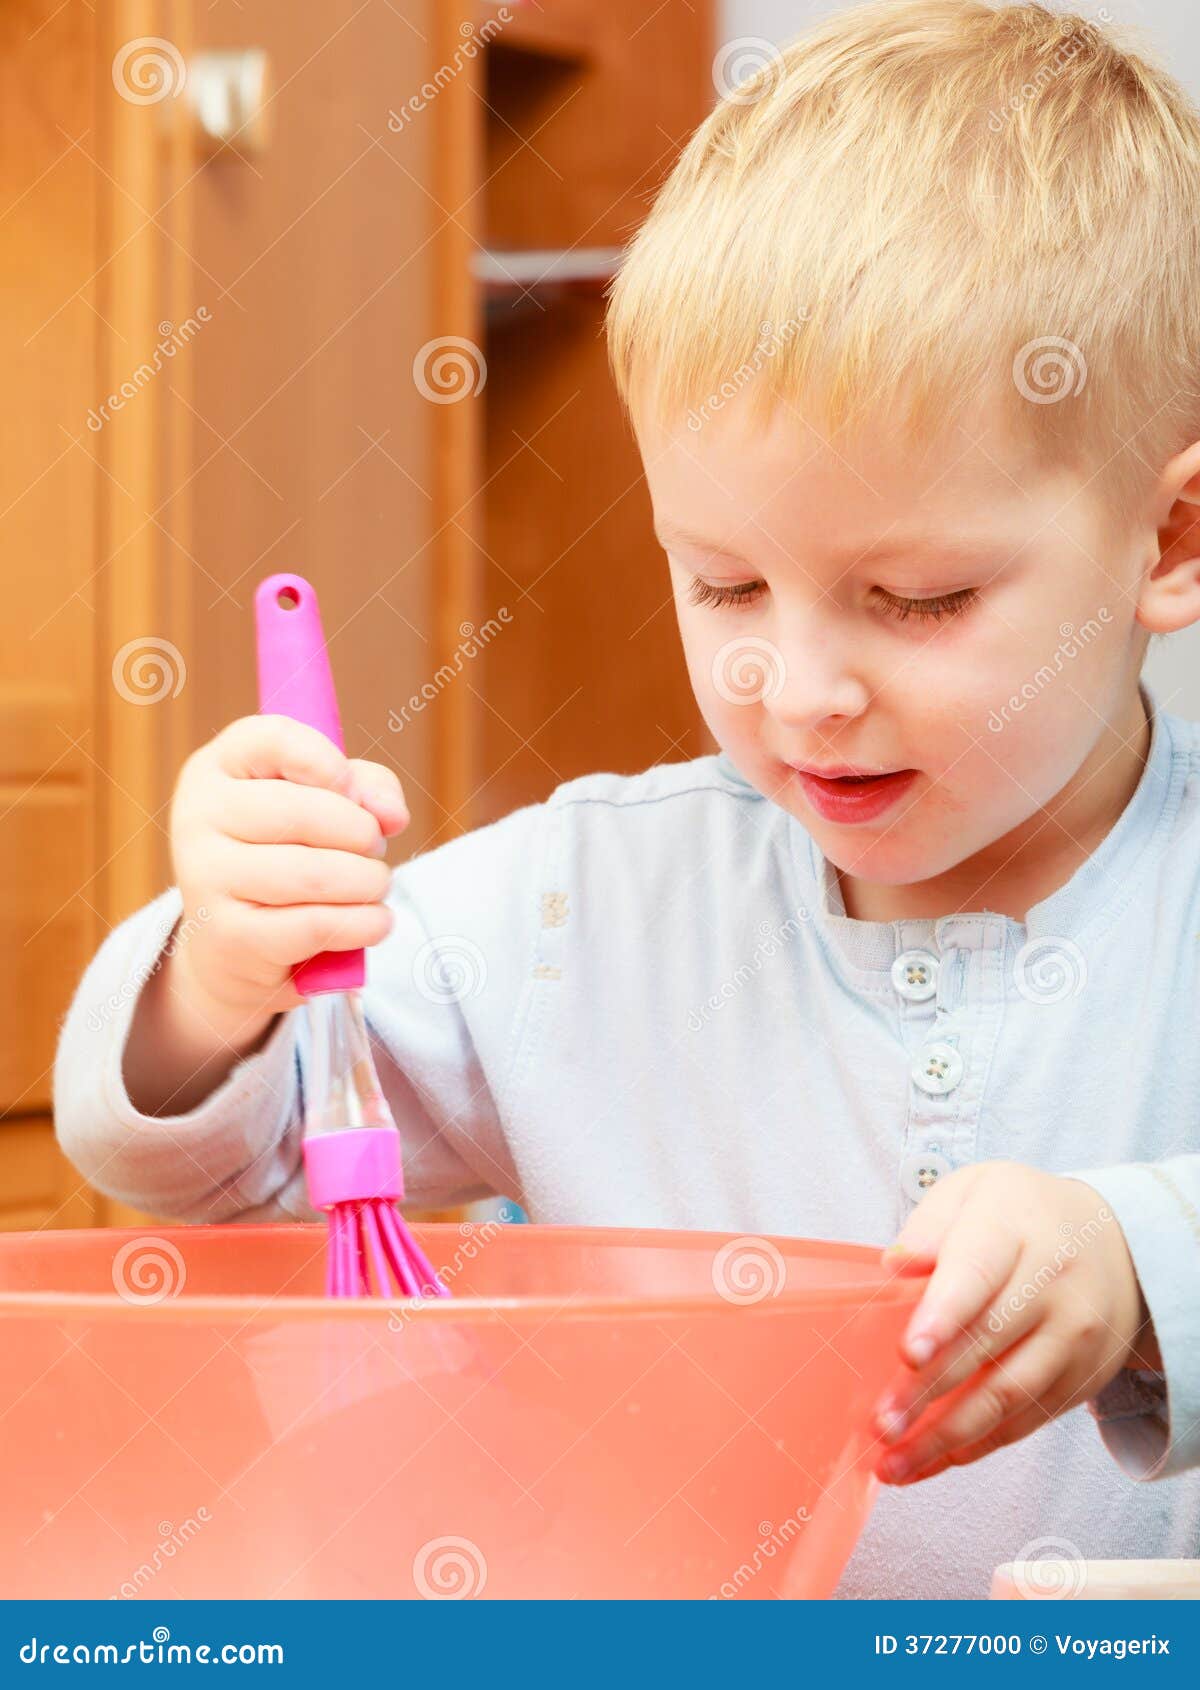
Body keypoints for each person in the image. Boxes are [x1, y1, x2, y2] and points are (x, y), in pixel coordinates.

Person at [54, 1, 1200, 1597]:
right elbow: (208, 1171)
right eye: (726, 584)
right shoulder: (577, 908)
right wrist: (224, 972)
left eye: (919, 598)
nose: (799, 688)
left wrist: (1145, 1259)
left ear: (1172, 541)